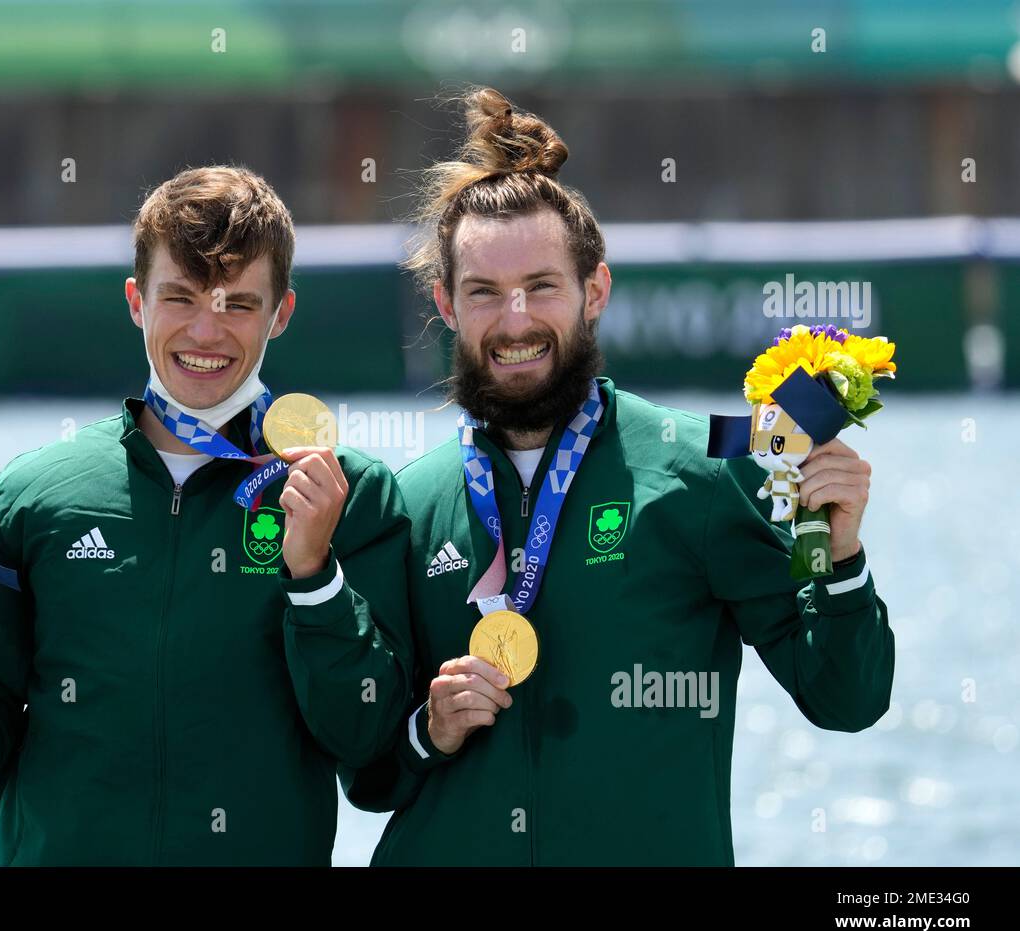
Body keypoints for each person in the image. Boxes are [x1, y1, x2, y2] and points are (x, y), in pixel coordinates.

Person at [334, 88, 895, 865]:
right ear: (447, 306)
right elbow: (368, 777)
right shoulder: (408, 502)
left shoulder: (700, 472)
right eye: (485, 293)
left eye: (543, 286)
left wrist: (838, 561)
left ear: (595, 291)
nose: (517, 319)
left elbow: (848, 700)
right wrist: (427, 730)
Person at [0, 165, 413, 865]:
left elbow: (369, 749)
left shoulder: (350, 494)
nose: (205, 331)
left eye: (238, 305)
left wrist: (314, 579)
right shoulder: (38, 493)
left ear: (282, 312)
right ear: (136, 300)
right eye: (179, 297)